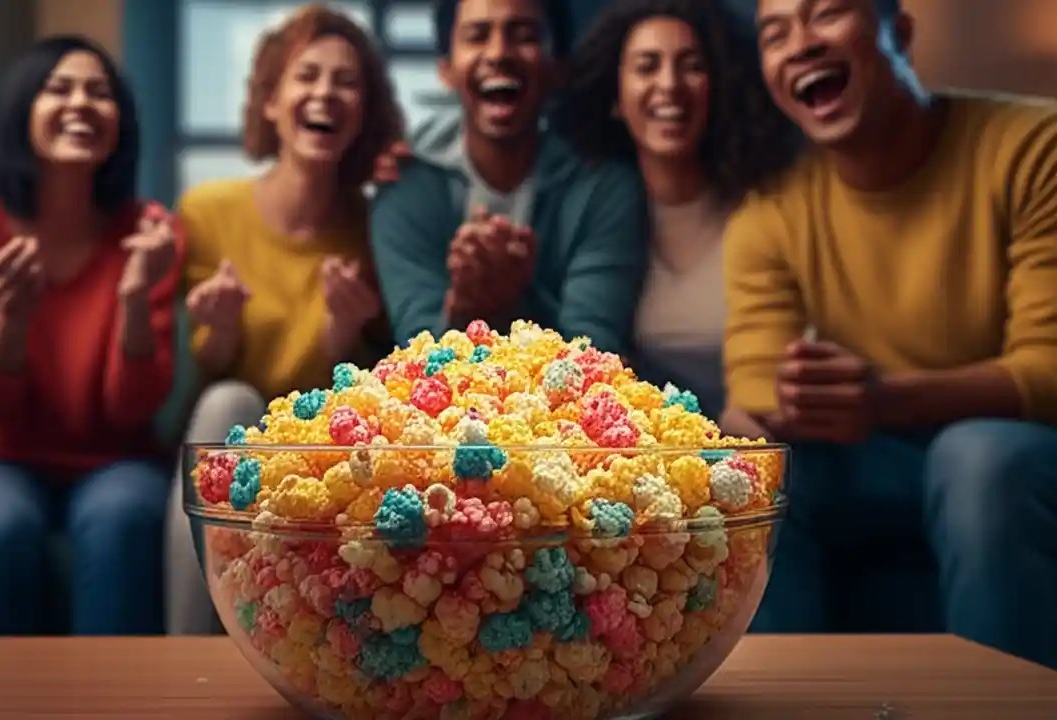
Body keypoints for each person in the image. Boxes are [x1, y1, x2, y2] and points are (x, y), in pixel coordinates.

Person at [724, 0, 1057, 668]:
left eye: (826, 15)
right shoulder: (769, 208)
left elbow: (1047, 372)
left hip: (1010, 452)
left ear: (898, 32)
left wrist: (885, 401)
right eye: (775, 34)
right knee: (758, 472)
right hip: (868, 457)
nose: (800, 45)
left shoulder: (1031, 147)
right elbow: (754, 397)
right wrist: (774, 409)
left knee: (977, 458)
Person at [0, 36, 181, 635]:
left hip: (114, 460)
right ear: (22, 109)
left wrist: (134, 299)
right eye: (59, 89)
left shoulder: (149, 232)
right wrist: (10, 321)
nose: (81, 104)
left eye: (100, 93)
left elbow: (130, 409)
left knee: (125, 517)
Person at [165, 4, 402, 635]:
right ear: (271, 101)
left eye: (345, 82)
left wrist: (341, 339)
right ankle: (187, 663)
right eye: (308, 76)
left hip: (323, 464)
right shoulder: (208, 212)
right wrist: (217, 335)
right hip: (229, 440)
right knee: (226, 399)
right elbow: (200, 384)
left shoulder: (378, 230)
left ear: (365, 114)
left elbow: (363, 409)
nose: (325, 93)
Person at [553, 0, 800, 415]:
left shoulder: (766, 207)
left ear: (717, 85)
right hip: (649, 454)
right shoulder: (591, 216)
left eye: (692, 65)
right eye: (647, 66)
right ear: (614, 97)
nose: (670, 84)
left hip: (767, 439)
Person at [370, 0, 647, 355]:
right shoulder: (404, 184)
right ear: (446, 69)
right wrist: (464, 313)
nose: (499, 52)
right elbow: (417, 352)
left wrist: (514, 302)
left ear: (557, 67)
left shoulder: (603, 187)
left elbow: (596, 353)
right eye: (477, 35)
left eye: (524, 35)